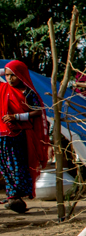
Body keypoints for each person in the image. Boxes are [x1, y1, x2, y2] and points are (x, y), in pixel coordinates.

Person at [0, 60, 50, 213]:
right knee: (4, 165)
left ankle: (16, 195)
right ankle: (13, 196)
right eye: (7, 75)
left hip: (20, 134)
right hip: (3, 134)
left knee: (17, 165)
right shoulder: (3, 89)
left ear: (21, 75)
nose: (10, 79)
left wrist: (17, 117)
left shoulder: (28, 93)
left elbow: (38, 111)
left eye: (13, 75)